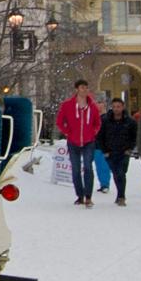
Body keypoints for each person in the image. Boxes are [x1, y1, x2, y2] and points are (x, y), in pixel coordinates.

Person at [56, 78, 103, 206]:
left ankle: (88, 195)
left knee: (88, 167)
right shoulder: (68, 105)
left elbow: (97, 122)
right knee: (76, 169)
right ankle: (79, 195)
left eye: (86, 88)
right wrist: (67, 132)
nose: (84, 90)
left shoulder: (92, 106)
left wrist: (93, 132)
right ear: (77, 89)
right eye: (82, 88)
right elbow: (60, 121)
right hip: (73, 141)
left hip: (88, 141)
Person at [97, 96, 138, 205]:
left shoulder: (130, 122)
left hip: (124, 152)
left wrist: (130, 149)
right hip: (110, 152)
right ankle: (120, 195)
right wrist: (104, 150)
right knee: (116, 173)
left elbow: (135, 137)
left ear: (123, 107)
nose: (116, 109)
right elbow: (100, 136)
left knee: (121, 172)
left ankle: (121, 196)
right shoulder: (105, 120)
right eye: (114, 107)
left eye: (118, 107)